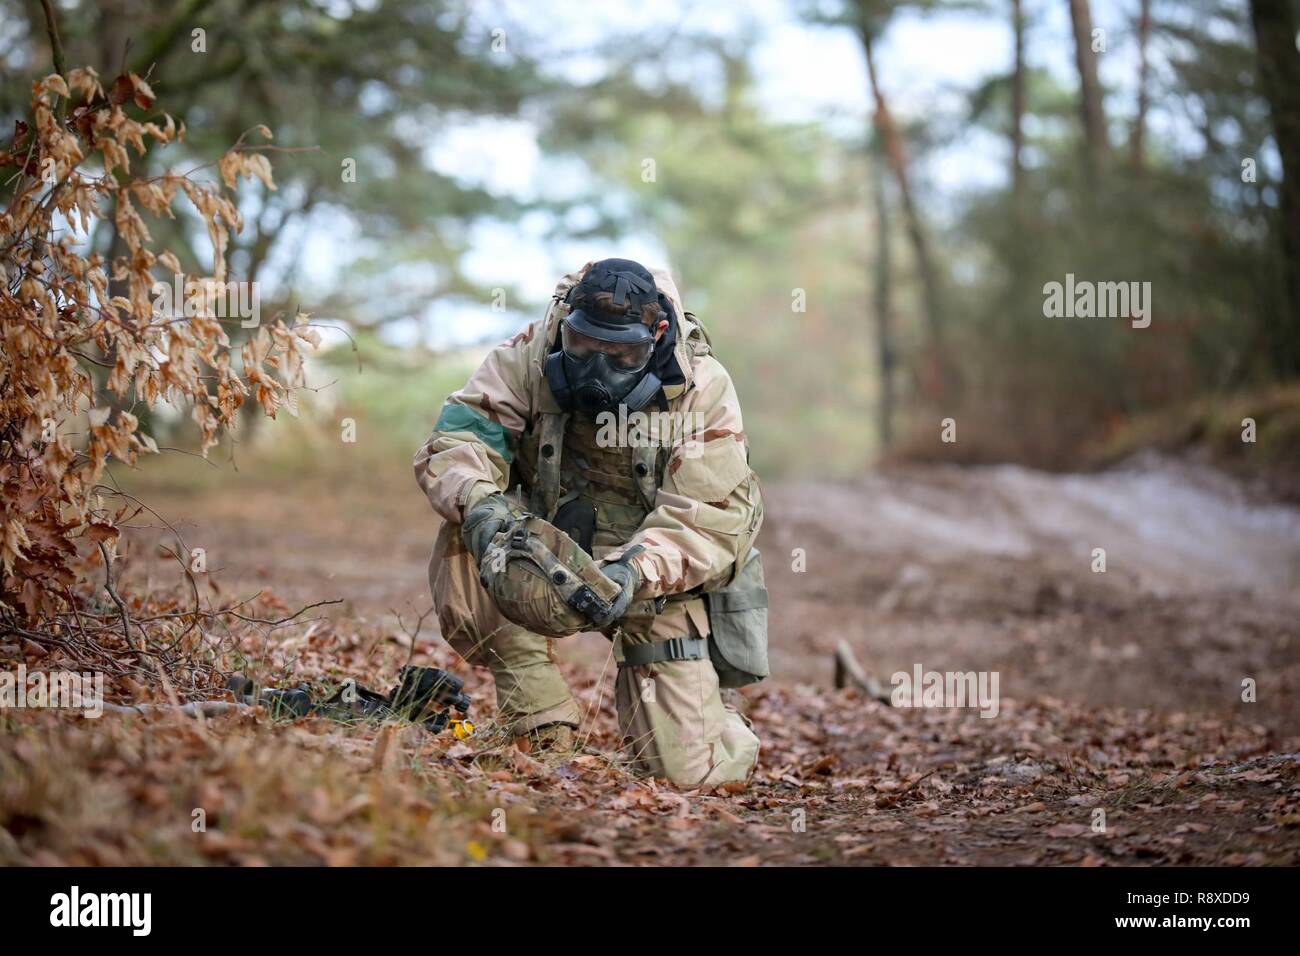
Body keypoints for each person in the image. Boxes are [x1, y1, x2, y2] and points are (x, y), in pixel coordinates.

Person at [414, 258, 765, 786]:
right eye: (582, 347)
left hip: (653, 573)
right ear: (567, 326)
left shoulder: (701, 387)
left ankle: (717, 719)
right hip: (542, 548)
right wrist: (484, 508)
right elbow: (457, 442)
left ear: (656, 337)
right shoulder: (530, 354)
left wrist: (634, 573)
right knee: (467, 530)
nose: (596, 371)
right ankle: (541, 721)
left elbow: (704, 520)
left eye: (620, 354)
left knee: (690, 776)